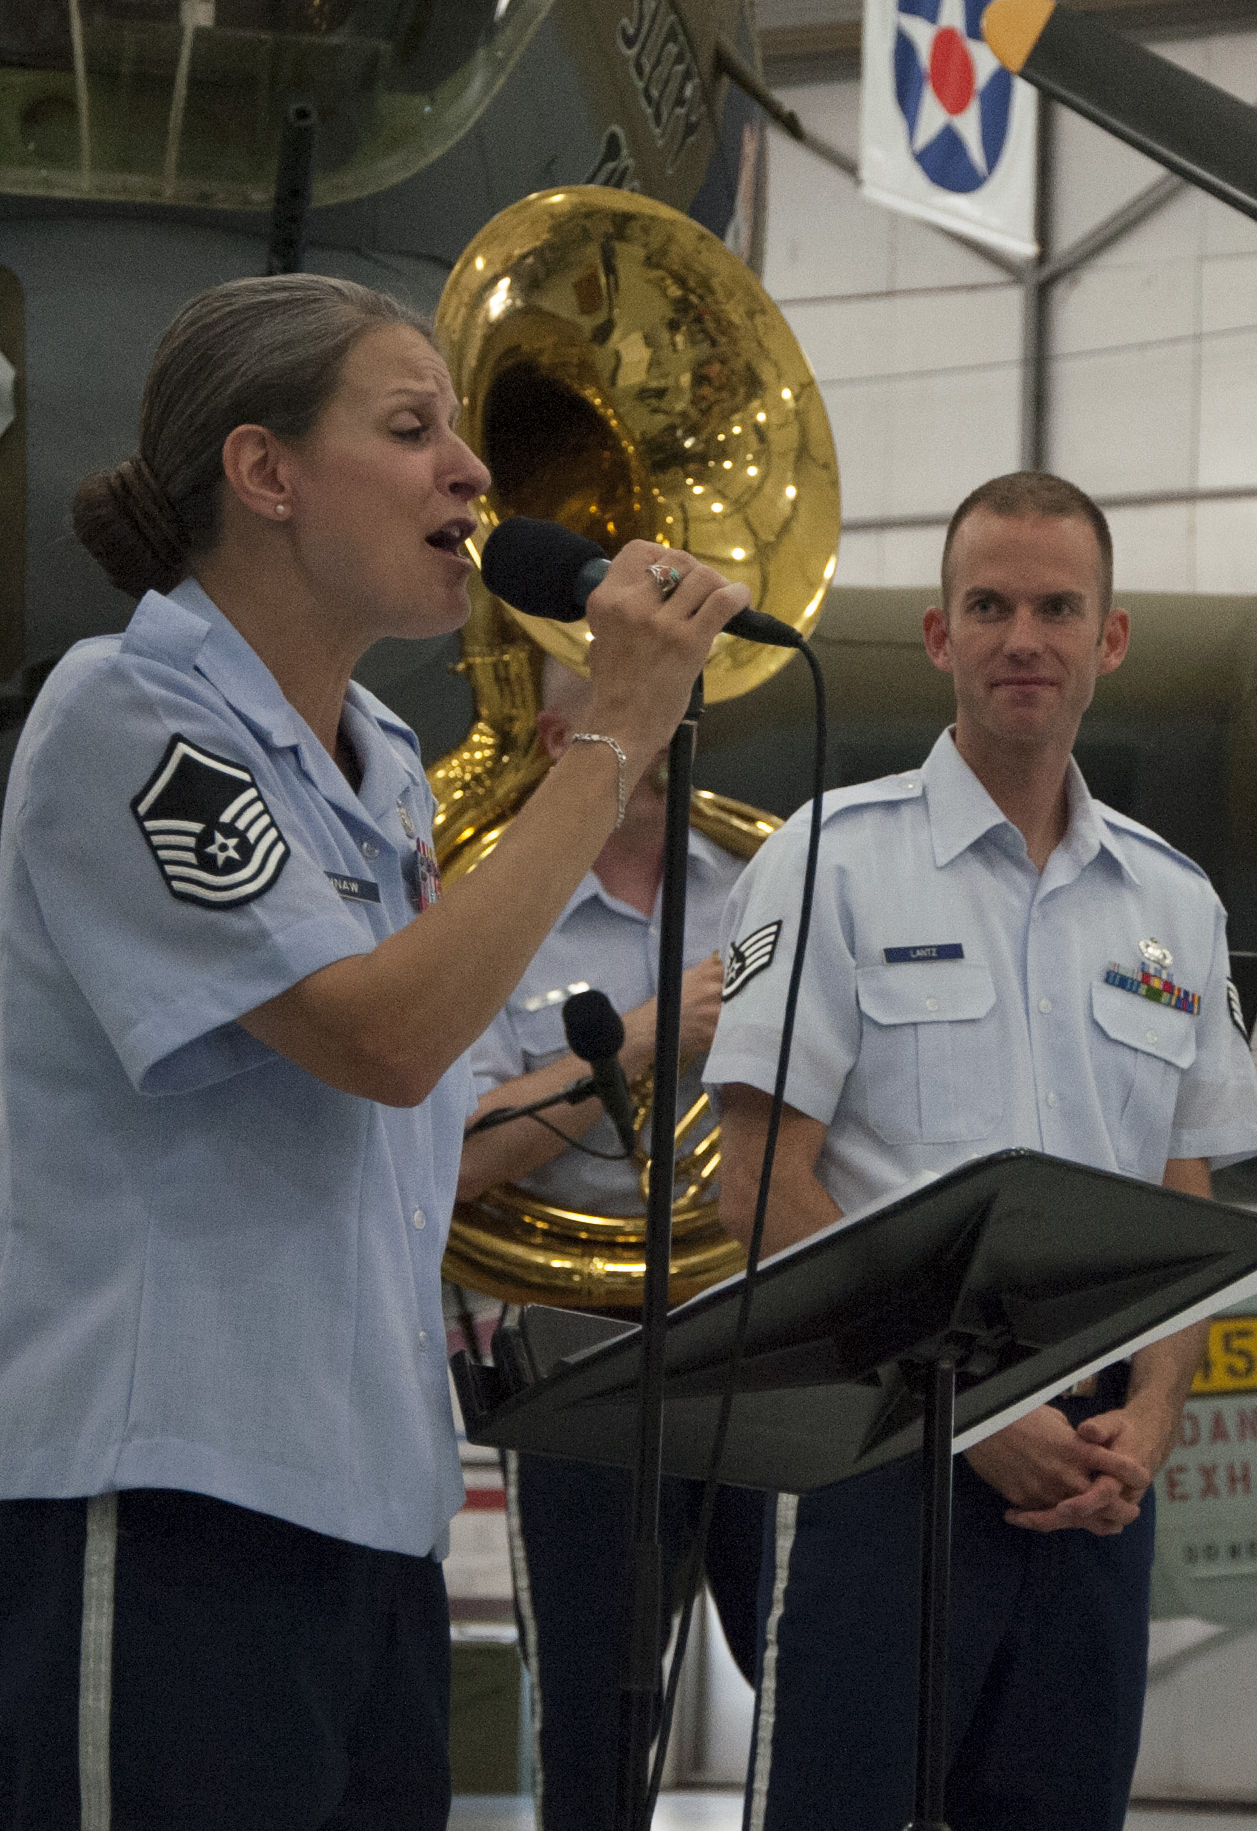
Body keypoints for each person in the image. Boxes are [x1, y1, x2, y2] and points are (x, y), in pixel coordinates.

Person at [0, 273, 749, 1830]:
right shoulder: (126, 712)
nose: (473, 472)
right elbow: (380, 1037)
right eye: (411, 427)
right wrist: (618, 737)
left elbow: (425, 1093)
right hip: (161, 1503)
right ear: (266, 472)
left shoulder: (379, 777)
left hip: (369, 1523)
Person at [703, 471, 1257, 1831]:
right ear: (939, 637)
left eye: (1058, 608)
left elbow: (1186, 1193)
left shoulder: (1174, 903)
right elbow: (760, 1189)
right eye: (992, 605)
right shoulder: (828, 864)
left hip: (1092, 1491)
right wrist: (971, 1417)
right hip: (881, 1463)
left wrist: (1152, 1421)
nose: (1027, 636)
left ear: (1109, 640)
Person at [454, 652, 768, 1831]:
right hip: (579, 1345)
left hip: (760, 1326)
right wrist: (642, 1041)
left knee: (814, 1693)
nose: (676, 734)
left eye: (681, 709)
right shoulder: (491, 910)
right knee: (594, 1728)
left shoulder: (763, 886)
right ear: (553, 743)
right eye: (637, 709)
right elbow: (454, 1160)